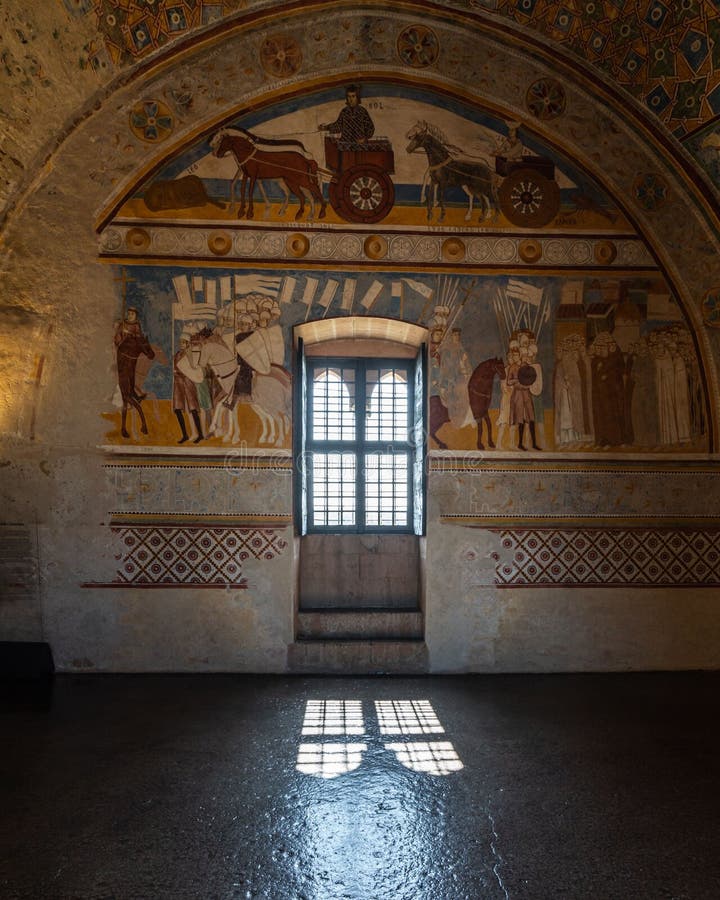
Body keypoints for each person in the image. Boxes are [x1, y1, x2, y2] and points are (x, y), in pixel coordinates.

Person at [173, 333, 204, 444]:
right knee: (177, 409)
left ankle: (200, 434)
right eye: (180, 342)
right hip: (177, 382)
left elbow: (193, 367)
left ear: (187, 343)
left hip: (187, 381)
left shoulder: (190, 354)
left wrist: (189, 357)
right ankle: (185, 435)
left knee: (193, 408)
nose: (181, 344)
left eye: (183, 342)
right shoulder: (177, 354)